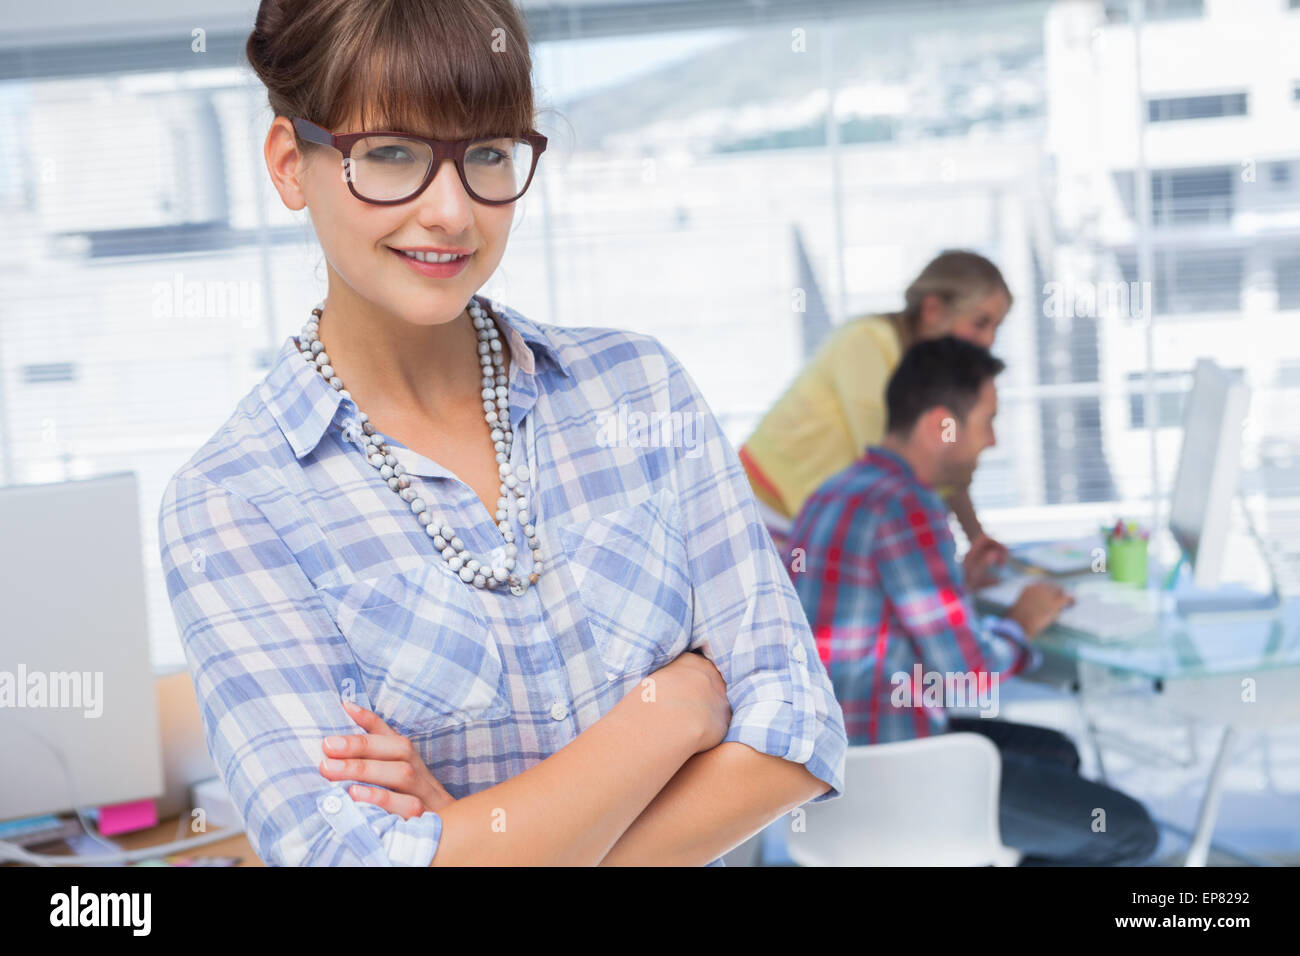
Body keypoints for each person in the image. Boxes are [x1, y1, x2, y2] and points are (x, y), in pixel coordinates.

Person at [158, 0, 846, 867]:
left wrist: (475, 836)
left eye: (486, 152)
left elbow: (797, 732)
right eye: (392, 154)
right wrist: (669, 713)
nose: (451, 211)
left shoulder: (637, 388)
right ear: (292, 164)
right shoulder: (233, 503)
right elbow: (350, 860)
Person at [785, 336, 1159, 866]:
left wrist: (960, 585)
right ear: (942, 424)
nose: (992, 441)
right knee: (1132, 832)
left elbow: (870, 619)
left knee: (1058, 753)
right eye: (987, 421)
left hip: (830, 774)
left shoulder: (835, 492)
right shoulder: (907, 508)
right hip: (897, 780)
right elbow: (970, 678)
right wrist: (1022, 622)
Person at [740, 250, 1012, 575]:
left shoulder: (932, 373)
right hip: (766, 509)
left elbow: (945, 458)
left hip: (810, 521)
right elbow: (900, 460)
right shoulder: (866, 341)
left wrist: (976, 536)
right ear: (933, 309)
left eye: (997, 327)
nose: (989, 340)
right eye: (981, 323)